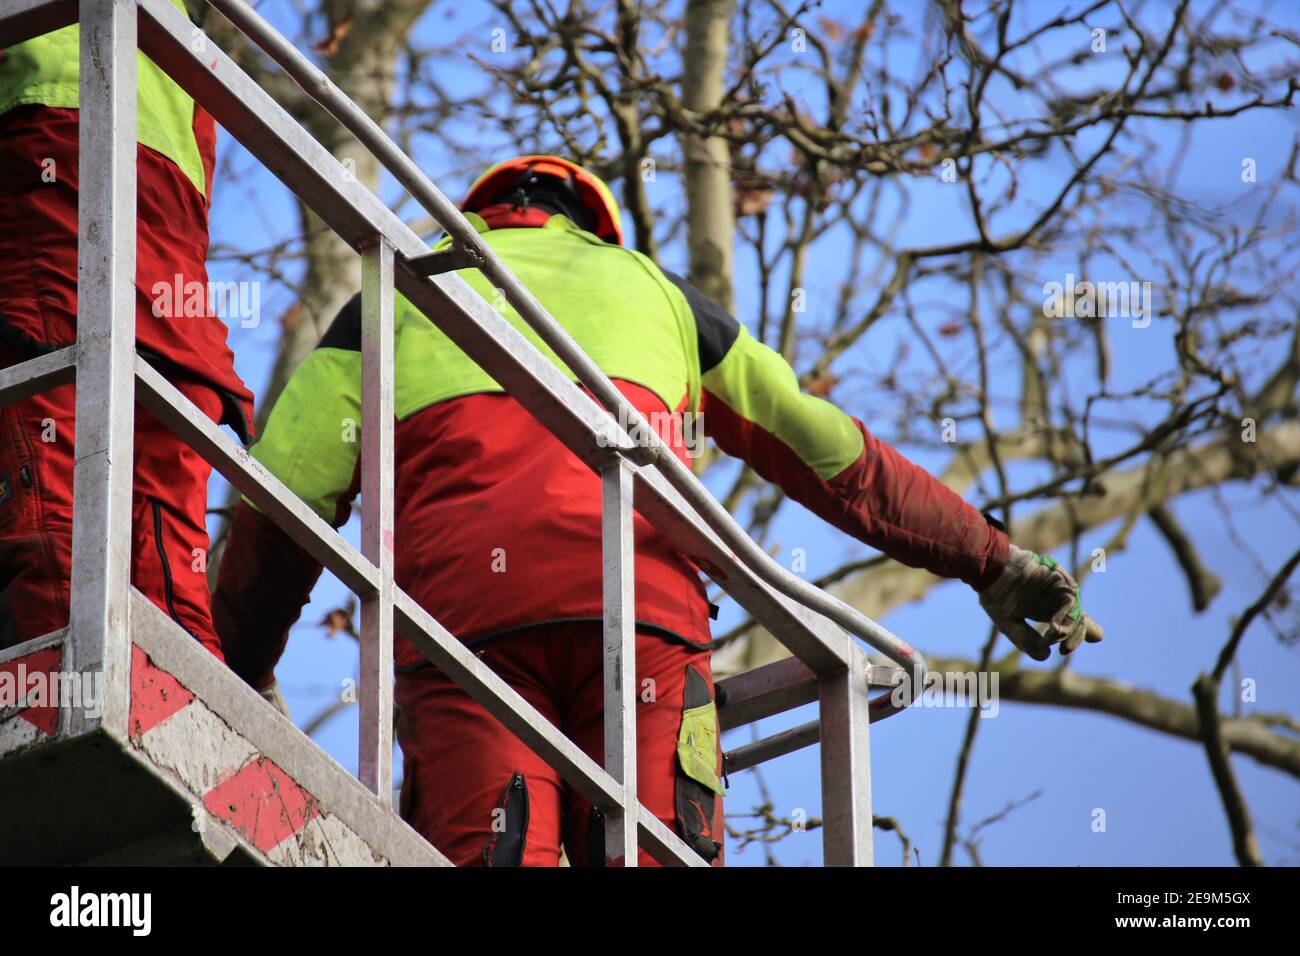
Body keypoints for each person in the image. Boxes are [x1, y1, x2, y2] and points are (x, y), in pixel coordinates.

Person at [211, 155, 1102, 866]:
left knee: (490, 848)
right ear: (593, 221)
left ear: (480, 214)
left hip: (462, 630)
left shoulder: (393, 297)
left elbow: (279, 501)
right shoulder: (662, 295)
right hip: (641, 623)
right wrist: (993, 561)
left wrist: (233, 670)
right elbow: (839, 460)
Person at [0, 1, 255, 663]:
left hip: (51, 159)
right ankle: (187, 699)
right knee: (163, 489)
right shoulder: (177, 29)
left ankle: (66, 677)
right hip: (165, 246)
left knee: (57, 432)